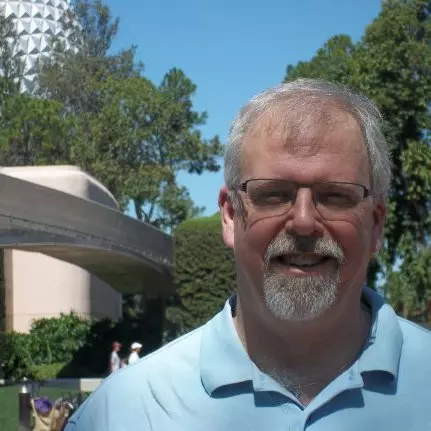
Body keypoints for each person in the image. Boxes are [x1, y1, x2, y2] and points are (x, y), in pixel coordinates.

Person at [65, 79, 431, 430]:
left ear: (376, 225)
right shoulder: (123, 413)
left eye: (335, 195)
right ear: (230, 215)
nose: (303, 222)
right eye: (273, 194)